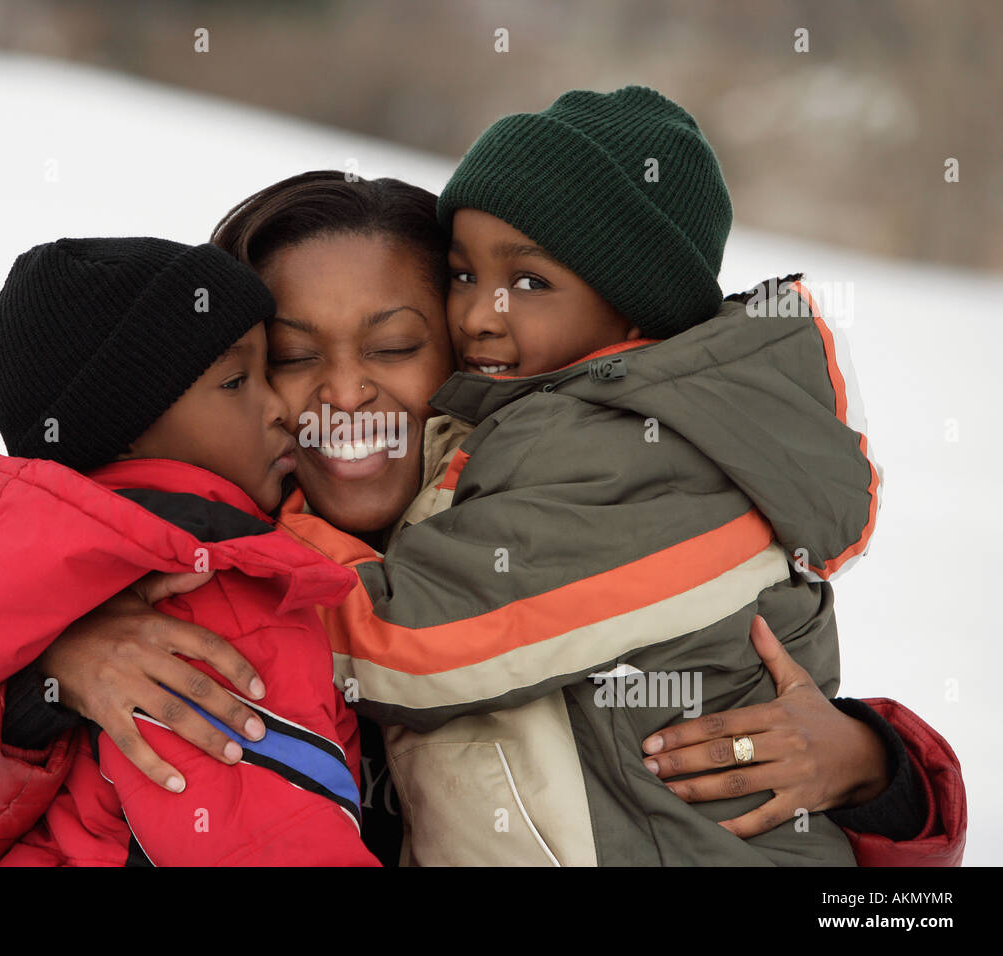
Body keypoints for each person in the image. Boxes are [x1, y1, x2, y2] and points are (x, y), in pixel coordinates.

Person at [0, 175, 964, 867]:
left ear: (464, 347)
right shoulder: (161, 579)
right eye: (287, 357)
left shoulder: (544, 521)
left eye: (392, 344)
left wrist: (877, 767)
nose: (341, 393)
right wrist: (45, 682)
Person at [283, 86, 879, 864]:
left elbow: (404, 647)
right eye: (462, 274)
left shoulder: (641, 456)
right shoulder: (526, 424)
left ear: (635, 310)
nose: (479, 315)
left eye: (529, 283)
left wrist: (253, 544)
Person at [0, 237, 378, 866]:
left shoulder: (44, 597)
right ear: (123, 433)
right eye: (237, 381)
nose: (282, 407)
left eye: (269, 372)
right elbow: (265, 846)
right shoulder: (212, 599)